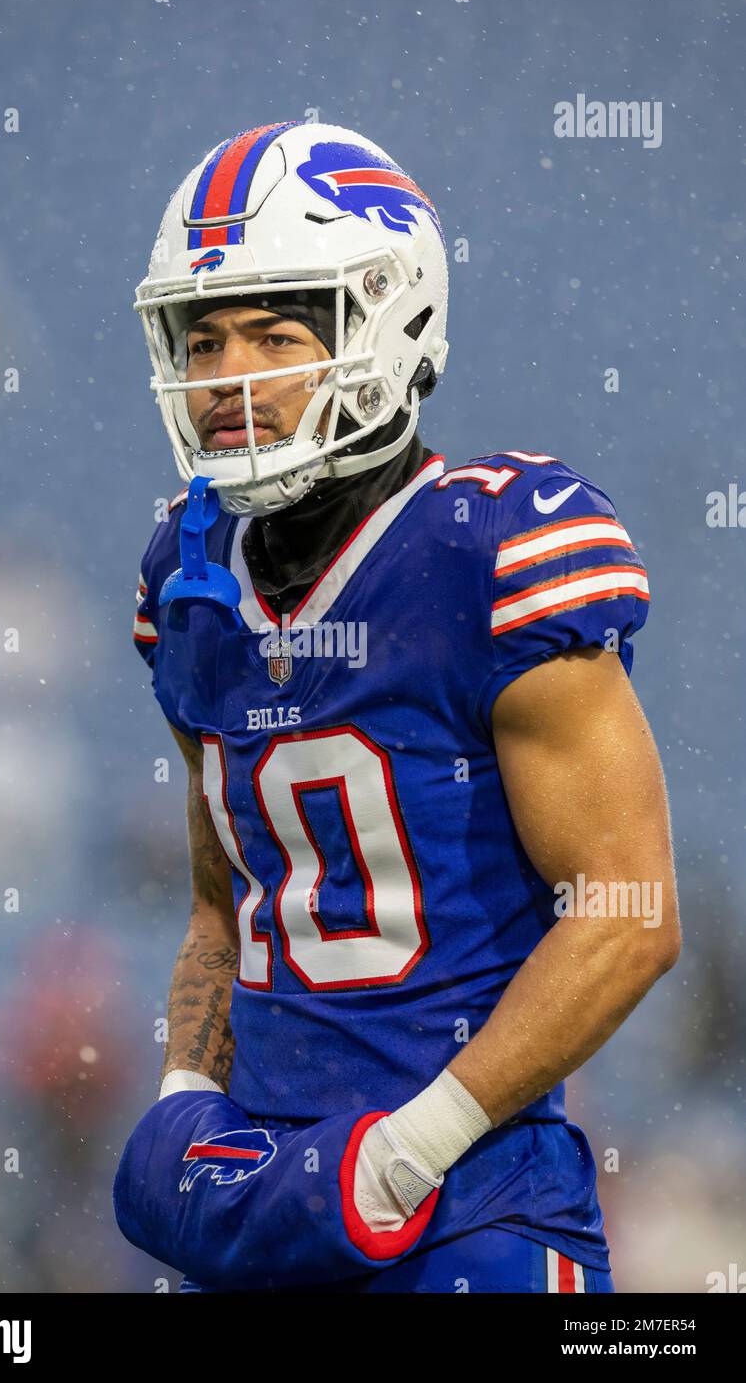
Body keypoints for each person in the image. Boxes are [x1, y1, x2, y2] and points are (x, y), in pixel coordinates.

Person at [115, 121, 681, 1294]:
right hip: (273, 1201)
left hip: (473, 1211)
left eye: (274, 334)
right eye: (204, 336)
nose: (227, 377)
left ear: (384, 325)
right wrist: (186, 1096)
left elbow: (627, 914)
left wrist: (409, 1148)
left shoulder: (491, 547)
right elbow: (225, 908)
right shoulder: (188, 576)